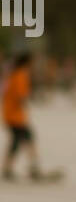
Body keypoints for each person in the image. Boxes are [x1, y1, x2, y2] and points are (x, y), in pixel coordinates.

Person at [2, 51, 57, 181]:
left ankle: (8, 168)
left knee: (17, 141)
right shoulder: (21, 75)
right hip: (16, 116)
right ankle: (34, 168)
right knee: (28, 139)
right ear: (27, 63)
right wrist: (34, 99)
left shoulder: (14, 73)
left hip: (10, 114)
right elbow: (21, 96)